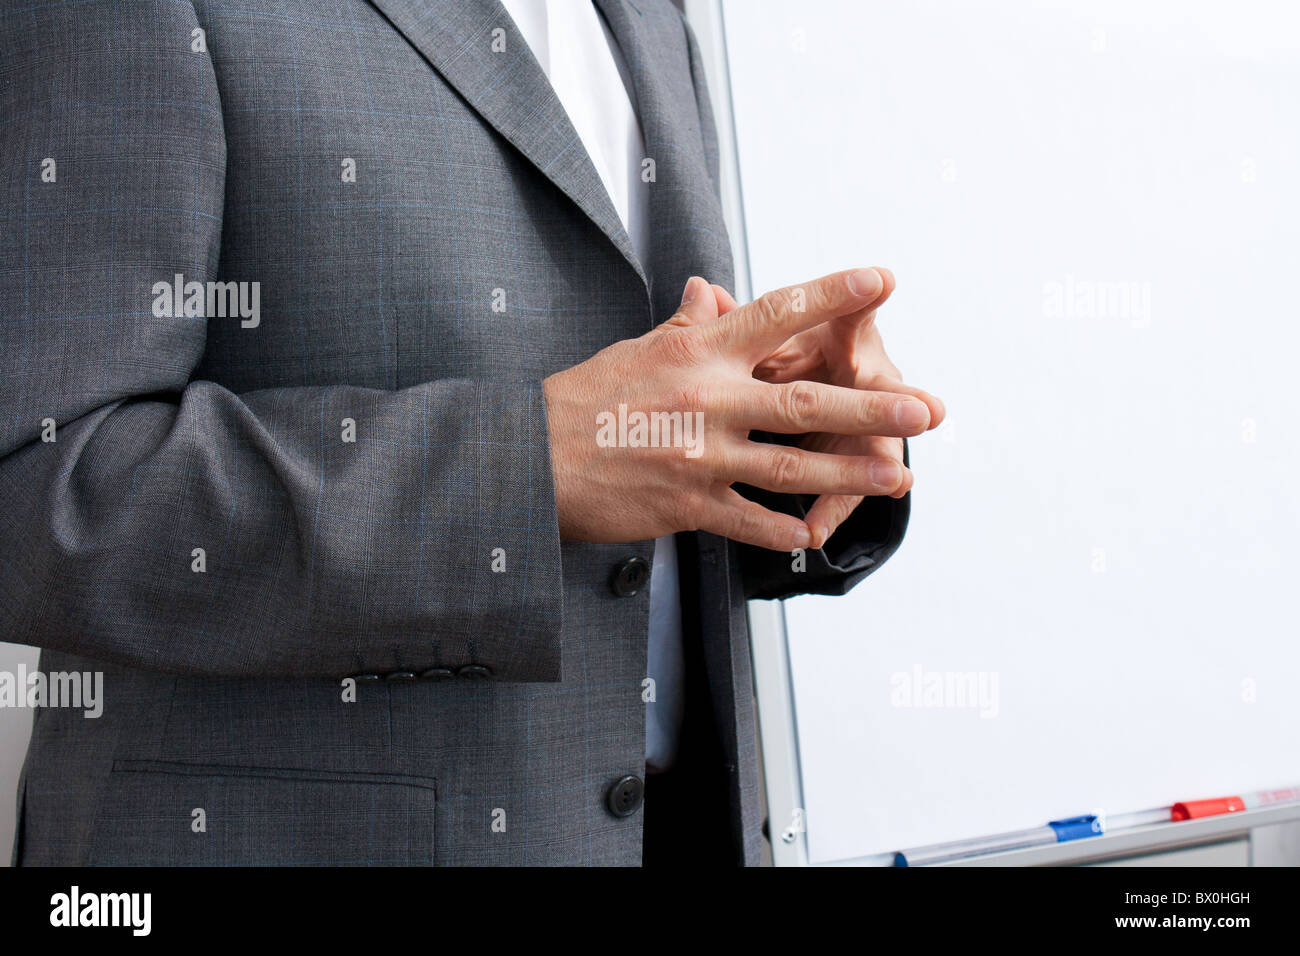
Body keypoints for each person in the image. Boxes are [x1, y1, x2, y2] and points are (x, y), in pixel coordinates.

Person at [1, 0, 942, 866]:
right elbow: (34, 486)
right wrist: (523, 472)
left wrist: (792, 442)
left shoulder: (651, 14)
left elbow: (646, 455)